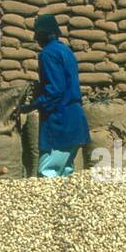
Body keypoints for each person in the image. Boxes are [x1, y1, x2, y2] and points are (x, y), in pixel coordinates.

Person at [19, 13, 90, 178]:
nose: (37, 40)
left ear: (47, 34)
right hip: (74, 119)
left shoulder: (48, 54)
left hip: (60, 121)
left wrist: (34, 105)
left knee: (47, 174)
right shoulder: (66, 51)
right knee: (65, 173)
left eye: (39, 36)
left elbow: (55, 90)